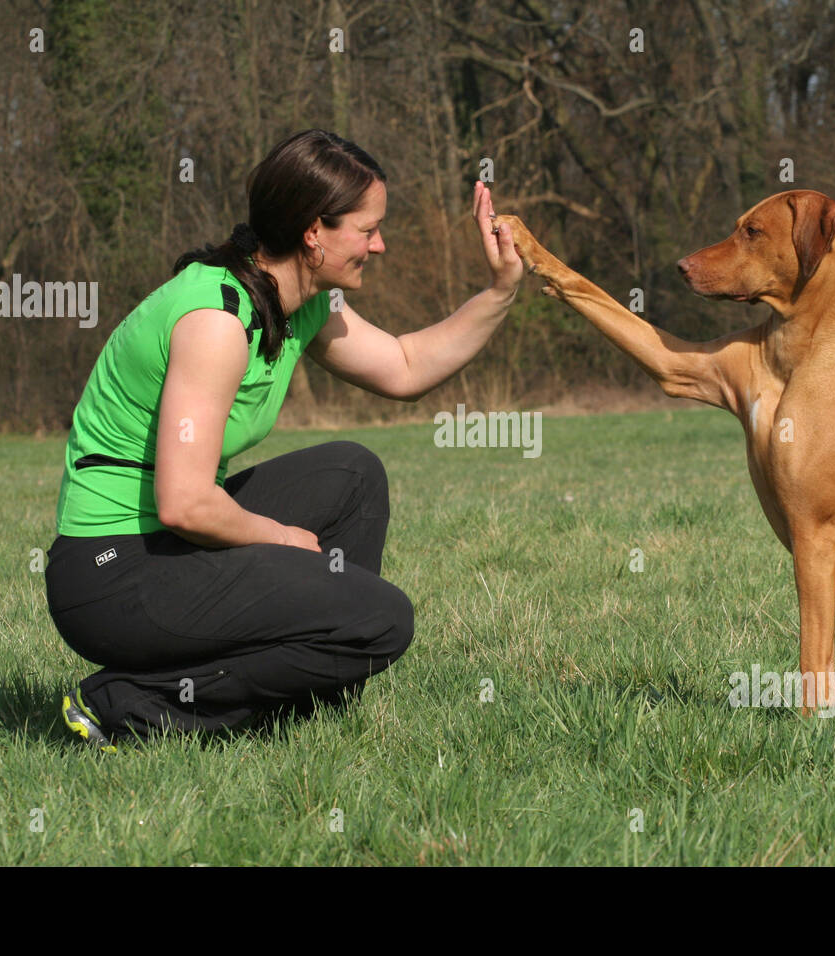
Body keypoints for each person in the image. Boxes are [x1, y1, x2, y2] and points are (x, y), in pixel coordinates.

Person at [44, 129, 522, 750]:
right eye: (368, 228)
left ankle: (312, 684)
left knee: (351, 475)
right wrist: (282, 538)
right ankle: (126, 703)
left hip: (164, 545)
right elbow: (185, 502)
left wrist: (501, 290)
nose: (380, 244)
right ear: (313, 232)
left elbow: (405, 366)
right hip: (111, 576)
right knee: (383, 621)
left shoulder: (301, 302)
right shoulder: (216, 320)